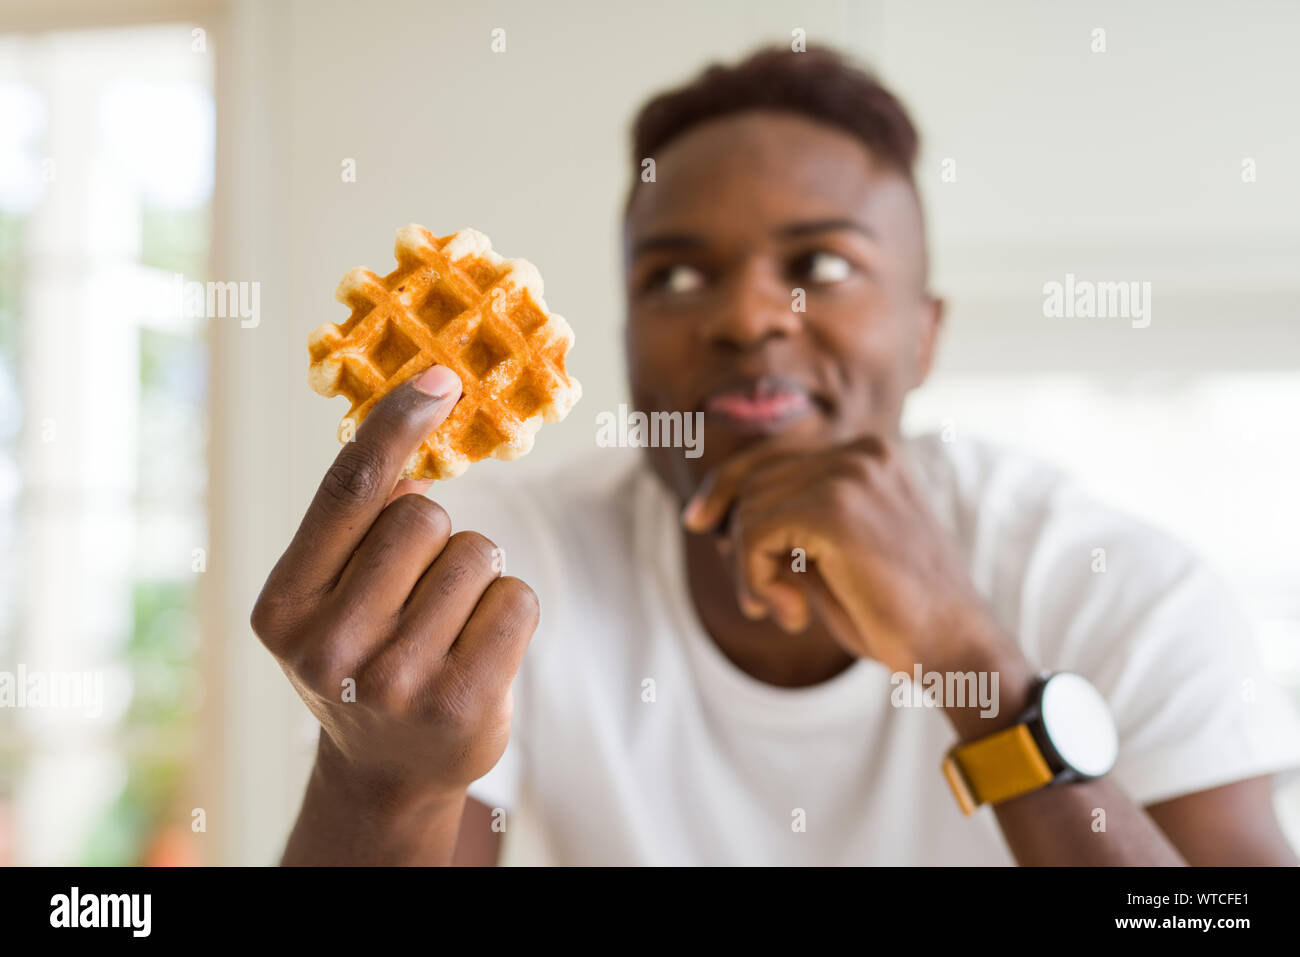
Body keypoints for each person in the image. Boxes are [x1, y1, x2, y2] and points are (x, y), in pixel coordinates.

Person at [252, 46, 1300, 865]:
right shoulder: (509, 572)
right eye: (672, 277)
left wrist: (976, 664)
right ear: (612, 343)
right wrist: (377, 780)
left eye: (822, 264)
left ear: (925, 333)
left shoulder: (1111, 589)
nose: (750, 316)